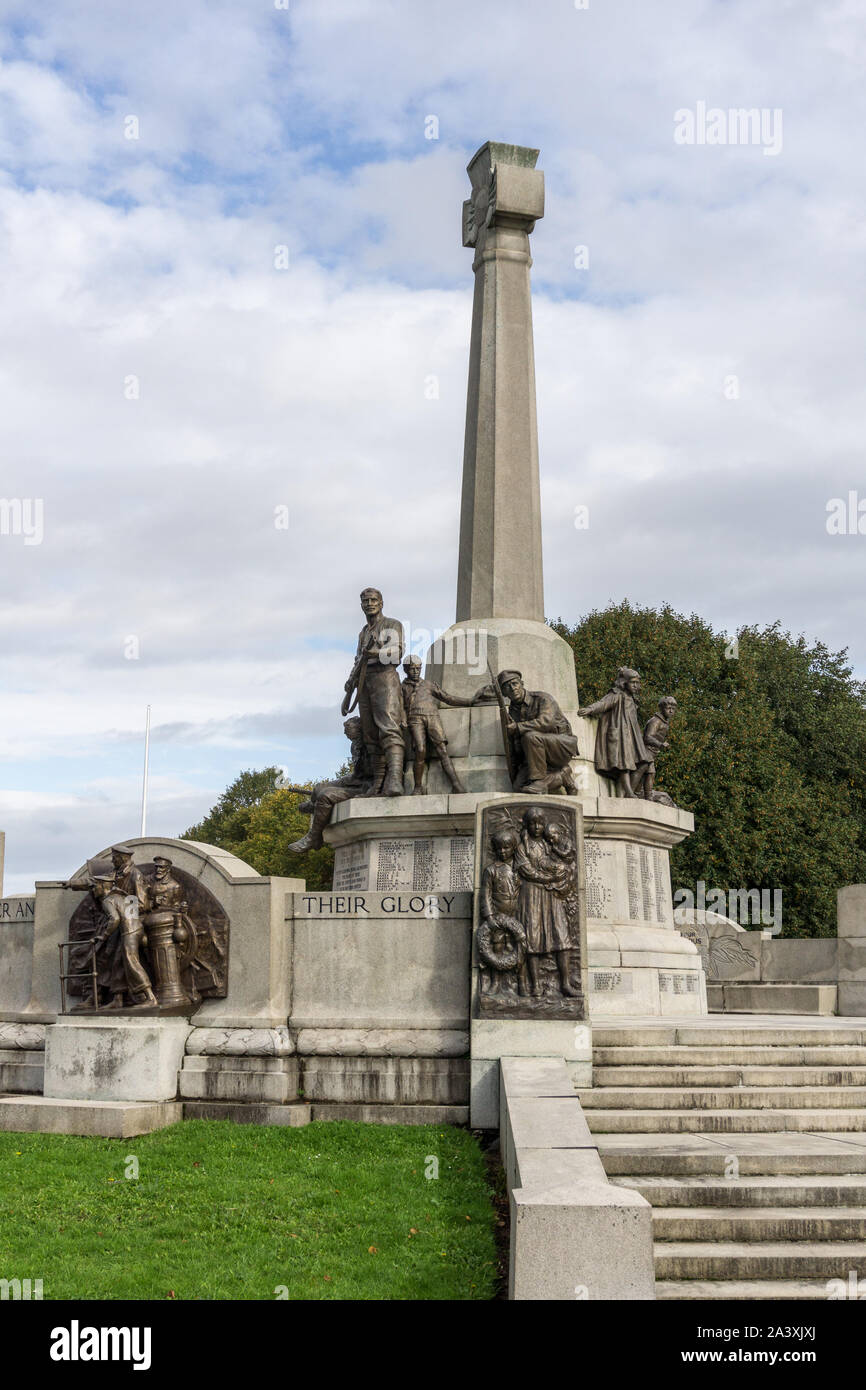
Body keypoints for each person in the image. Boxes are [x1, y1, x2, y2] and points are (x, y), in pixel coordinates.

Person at [344, 588, 406, 797]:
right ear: (361, 605)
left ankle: (395, 779)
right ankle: (377, 783)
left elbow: (397, 653)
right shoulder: (363, 632)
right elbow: (358, 658)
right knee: (370, 734)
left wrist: (376, 653)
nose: (369, 603)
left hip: (384, 677)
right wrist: (351, 680)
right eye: (365, 601)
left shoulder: (392, 624)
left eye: (373, 600)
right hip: (364, 682)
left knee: (388, 728)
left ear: (381, 603)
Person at [513, 808, 580, 998]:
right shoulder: (522, 847)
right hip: (532, 893)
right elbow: (526, 870)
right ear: (527, 825)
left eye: (540, 823)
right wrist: (547, 878)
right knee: (532, 938)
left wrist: (557, 876)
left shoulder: (548, 843)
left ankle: (565, 983)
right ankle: (534, 985)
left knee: (561, 934)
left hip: (552, 894)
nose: (537, 827)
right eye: (533, 823)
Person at [287, 716, 374, 853]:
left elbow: (371, 773)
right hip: (357, 780)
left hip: (366, 786)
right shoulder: (355, 744)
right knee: (318, 788)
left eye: (348, 729)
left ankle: (313, 836)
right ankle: (315, 806)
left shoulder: (371, 745)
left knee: (325, 795)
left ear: (359, 729)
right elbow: (358, 772)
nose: (345, 733)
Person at [496, 670, 580, 794]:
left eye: (514, 684)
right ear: (504, 693)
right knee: (518, 787)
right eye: (507, 687)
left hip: (561, 746)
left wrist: (518, 727)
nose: (512, 688)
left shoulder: (542, 698)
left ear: (522, 684)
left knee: (530, 736)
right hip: (535, 753)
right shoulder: (513, 711)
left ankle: (540, 782)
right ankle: (562, 777)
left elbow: (547, 722)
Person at [400, 655, 473, 795]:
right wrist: (403, 719)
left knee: (442, 750)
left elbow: (448, 698)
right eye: (412, 669)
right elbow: (400, 706)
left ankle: (456, 785)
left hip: (432, 717)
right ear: (406, 669)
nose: (416, 671)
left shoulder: (428, 684)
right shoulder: (402, 687)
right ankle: (417, 787)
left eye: (418, 668)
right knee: (420, 750)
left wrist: (469, 701)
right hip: (414, 719)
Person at [578, 667, 650, 798]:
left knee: (644, 763)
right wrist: (589, 709)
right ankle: (628, 792)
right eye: (632, 682)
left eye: (637, 683)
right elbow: (603, 703)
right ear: (624, 682)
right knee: (625, 763)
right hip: (621, 735)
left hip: (633, 736)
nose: (635, 685)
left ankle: (632, 791)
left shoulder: (632, 698)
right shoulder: (617, 694)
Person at [633, 696, 678, 801]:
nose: (671, 711)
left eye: (673, 709)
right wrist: (660, 744)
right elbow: (647, 737)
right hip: (646, 750)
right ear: (662, 708)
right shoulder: (656, 721)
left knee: (651, 773)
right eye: (668, 708)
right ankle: (630, 791)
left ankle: (648, 797)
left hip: (653, 752)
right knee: (641, 770)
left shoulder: (664, 722)